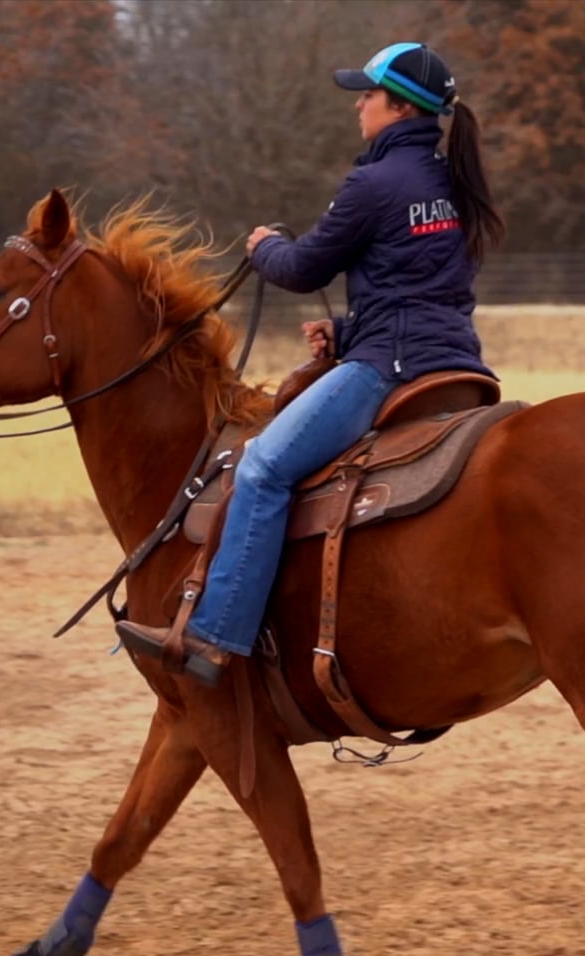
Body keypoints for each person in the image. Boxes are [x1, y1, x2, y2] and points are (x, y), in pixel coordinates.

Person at [116, 42, 507, 687]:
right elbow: (424, 292)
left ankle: (216, 637)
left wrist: (266, 245)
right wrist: (346, 328)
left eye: (368, 95)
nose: (359, 105)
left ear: (400, 108)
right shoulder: (454, 184)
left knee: (265, 466)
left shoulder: (375, 183)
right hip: (456, 363)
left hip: (392, 366)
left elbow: (302, 270)